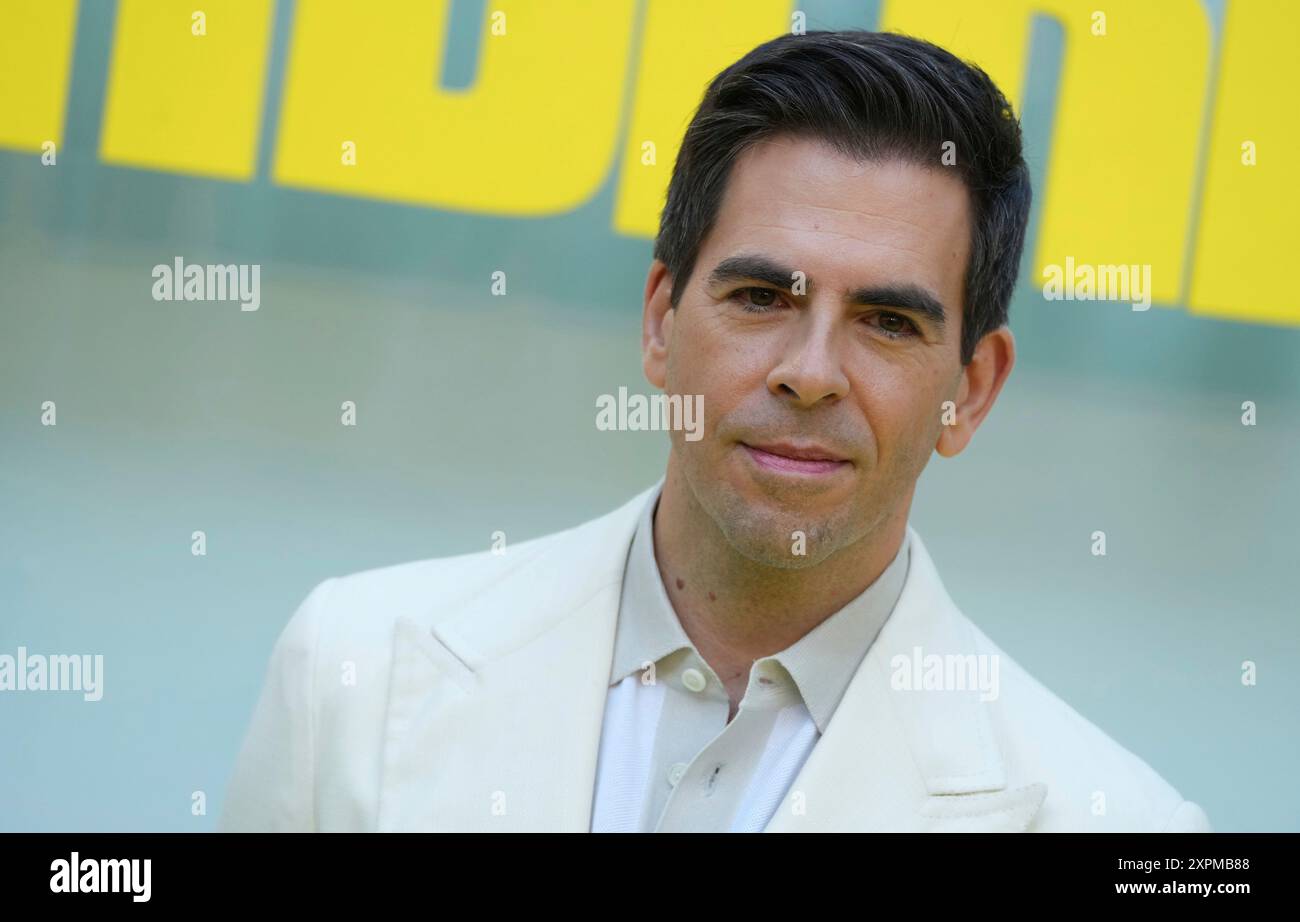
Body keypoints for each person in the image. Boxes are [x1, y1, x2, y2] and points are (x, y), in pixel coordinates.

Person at [220, 29, 1210, 833]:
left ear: (971, 390)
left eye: (887, 321)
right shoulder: (353, 674)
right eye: (760, 295)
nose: (810, 372)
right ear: (660, 321)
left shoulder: (1115, 826)